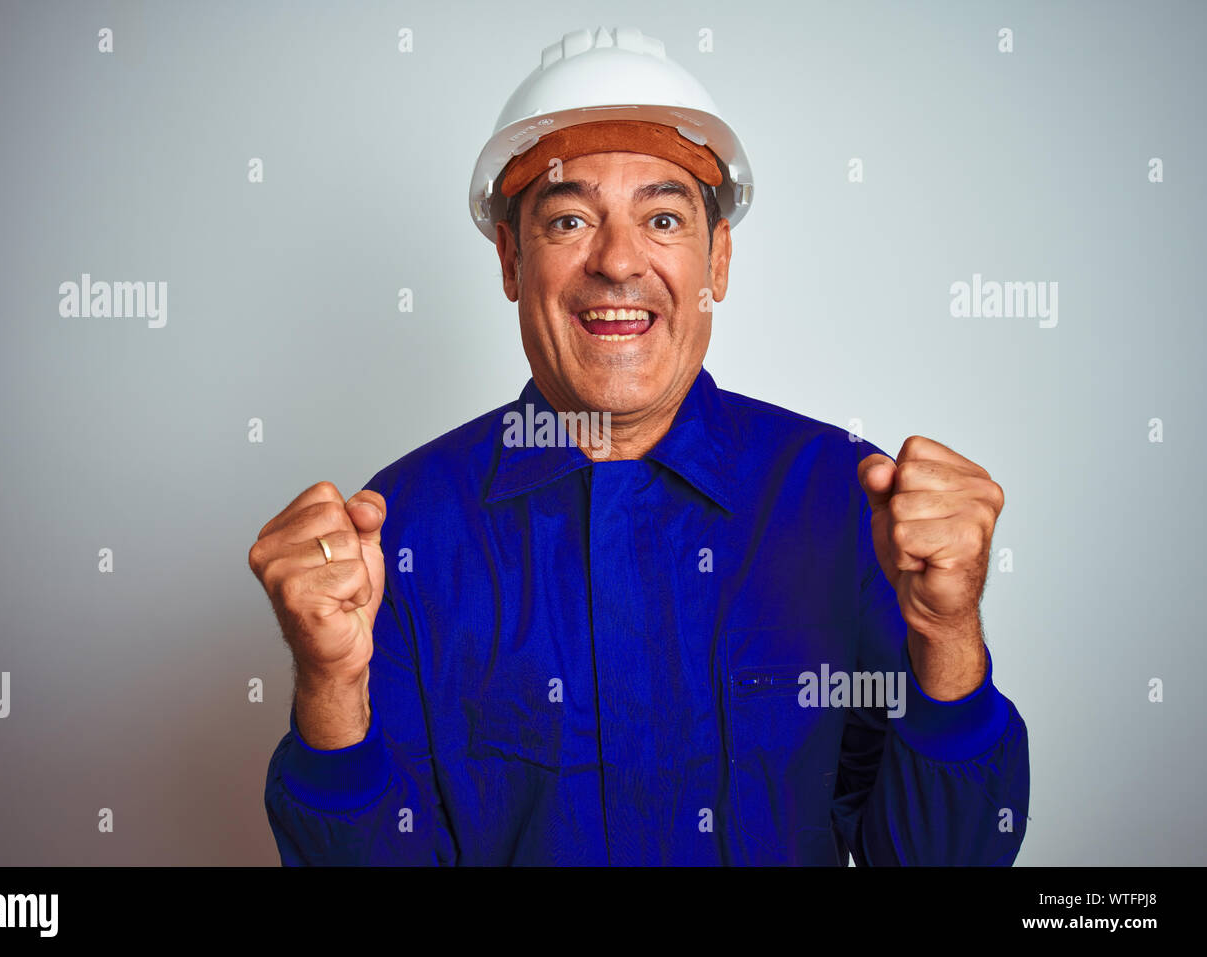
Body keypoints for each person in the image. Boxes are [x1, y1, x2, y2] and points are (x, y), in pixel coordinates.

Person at [249, 26, 1029, 865]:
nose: (618, 261)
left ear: (716, 261)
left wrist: (948, 634)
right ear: (511, 258)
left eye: (661, 217)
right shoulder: (398, 532)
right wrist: (329, 686)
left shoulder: (847, 499)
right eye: (570, 218)